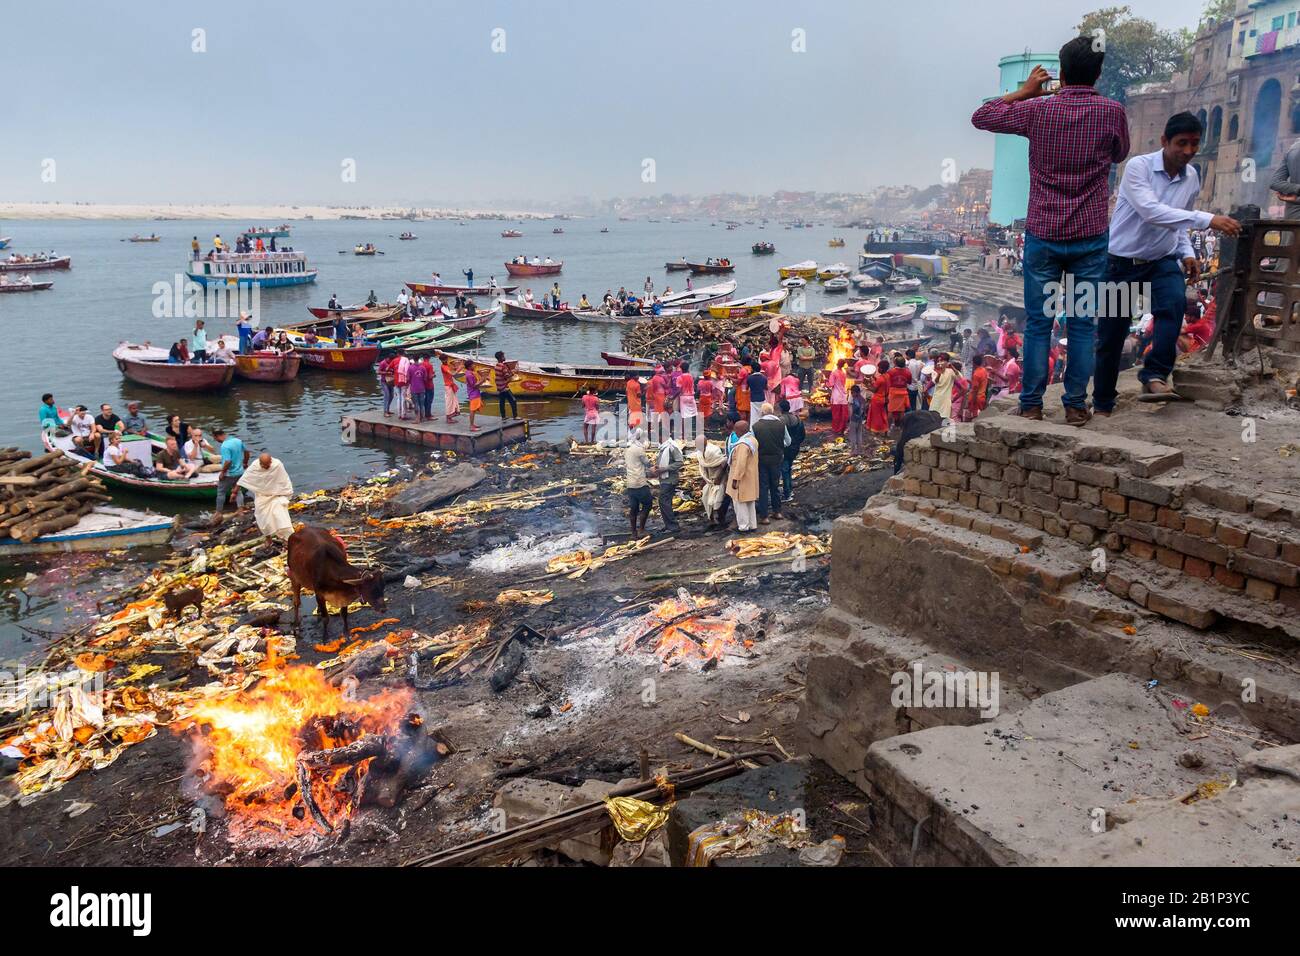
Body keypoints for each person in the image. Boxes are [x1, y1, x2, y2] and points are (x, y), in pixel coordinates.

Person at [971, 35, 1129, 424]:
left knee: (1039, 322)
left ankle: (1031, 403)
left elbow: (981, 116)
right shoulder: (1112, 112)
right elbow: (1120, 153)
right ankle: (1075, 405)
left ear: (1060, 71)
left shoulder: (1038, 110)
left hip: (1043, 232)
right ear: (1098, 72)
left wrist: (1023, 92)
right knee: (1081, 322)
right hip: (1089, 236)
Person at [1094, 111, 1241, 411]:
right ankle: (1103, 399)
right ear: (1165, 141)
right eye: (1182, 143)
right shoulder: (1138, 167)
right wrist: (1208, 219)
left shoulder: (1192, 177)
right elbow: (1152, 211)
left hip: (1162, 259)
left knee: (1174, 305)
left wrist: (1186, 253)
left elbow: (1178, 224)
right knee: (1112, 333)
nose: (1188, 151)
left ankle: (1155, 374)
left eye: (1194, 144)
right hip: (1120, 262)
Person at [237, 453, 295, 541]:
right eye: (264, 465)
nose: (266, 467)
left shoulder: (277, 465)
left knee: (281, 516)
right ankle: (268, 538)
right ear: (260, 463)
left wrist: (284, 492)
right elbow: (245, 478)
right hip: (262, 496)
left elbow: (284, 480)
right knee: (262, 518)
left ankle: (287, 538)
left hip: (277, 495)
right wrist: (235, 490)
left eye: (268, 465)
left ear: (271, 461)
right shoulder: (255, 466)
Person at [751, 402, 789, 524]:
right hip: (777, 459)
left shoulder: (756, 426)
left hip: (761, 460)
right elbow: (788, 441)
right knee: (775, 485)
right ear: (772, 411)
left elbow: (753, 445)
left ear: (761, 412)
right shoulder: (781, 424)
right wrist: (778, 446)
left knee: (763, 487)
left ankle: (764, 516)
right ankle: (777, 511)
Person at [726, 420, 760, 532]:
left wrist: (736, 479)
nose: (735, 432)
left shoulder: (742, 445)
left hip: (742, 478)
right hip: (751, 476)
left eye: (736, 430)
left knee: (740, 503)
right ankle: (752, 524)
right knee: (750, 502)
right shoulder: (752, 440)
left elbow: (740, 464)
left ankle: (743, 527)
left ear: (740, 430)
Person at [211, 427, 249, 526]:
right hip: (239, 472)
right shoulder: (237, 441)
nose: (216, 441)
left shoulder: (225, 446)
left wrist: (223, 472)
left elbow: (228, 461)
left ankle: (218, 512)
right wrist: (245, 462)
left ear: (217, 436)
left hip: (229, 474)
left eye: (215, 439)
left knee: (221, 492)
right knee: (238, 490)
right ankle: (240, 510)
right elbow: (247, 452)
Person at [624, 428, 653, 539]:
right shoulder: (638, 449)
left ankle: (633, 532)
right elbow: (647, 463)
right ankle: (641, 529)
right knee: (647, 504)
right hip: (639, 482)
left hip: (630, 483)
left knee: (633, 508)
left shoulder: (627, 448)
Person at [653, 437, 683, 533]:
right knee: (666, 502)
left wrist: (665, 468)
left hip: (670, 479)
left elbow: (679, 462)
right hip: (664, 479)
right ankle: (669, 525)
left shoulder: (672, 447)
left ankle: (673, 526)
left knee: (663, 501)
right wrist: (658, 468)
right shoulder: (663, 447)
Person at [698, 441, 730, 529]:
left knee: (717, 501)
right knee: (706, 499)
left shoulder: (713, 450)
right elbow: (703, 468)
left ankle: (721, 521)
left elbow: (724, 462)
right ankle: (712, 520)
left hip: (719, 480)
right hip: (709, 480)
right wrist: (703, 480)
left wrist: (719, 477)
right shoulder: (700, 453)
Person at [778, 398, 805, 503]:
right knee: (788, 468)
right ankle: (790, 489)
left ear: (780, 409)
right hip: (795, 447)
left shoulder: (780, 420)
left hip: (785, 448)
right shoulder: (797, 419)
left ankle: (787, 493)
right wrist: (797, 443)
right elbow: (802, 435)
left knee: (784, 469)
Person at [887, 355, 913, 429]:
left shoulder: (891, 372)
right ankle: (900, 427)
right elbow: (909, 382)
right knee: (901, 410)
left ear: (895, 363)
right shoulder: (907, 372)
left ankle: (888, 428)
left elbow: (888, 381)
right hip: (903, 392)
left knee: (890, 410)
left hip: (893, 392)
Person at [493, 351, 519, 420]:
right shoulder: (503, 366)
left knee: (502, 402)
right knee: (513, 400)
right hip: (504, 387)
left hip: (499, 387)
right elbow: (507, 376)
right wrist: (513, 373)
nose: (505, 357)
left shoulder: (496, 365)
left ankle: (503, 416)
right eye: (503, 356)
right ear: (501, 357)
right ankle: (515, 416)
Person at [930, 355, 956, 420]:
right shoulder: (934, 372)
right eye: (938, 361)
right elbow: (935, 381)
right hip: (937, 399)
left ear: (946, 362)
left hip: (946, 400)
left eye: (941, 361)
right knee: (934, 418)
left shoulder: (950, 371)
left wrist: (952, 367)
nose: (940, 363)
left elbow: (959, 377)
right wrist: (939, 374)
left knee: (945, 419)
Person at [867, 364, 890, 436]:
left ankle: (876, 430)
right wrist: (873, 379)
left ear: (882, 369)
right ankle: (885, 430)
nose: (878, 369)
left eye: (879, 368)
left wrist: (866, 385)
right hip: (885, 398)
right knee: (883, 415)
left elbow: (874, 390)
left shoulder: (880, 379)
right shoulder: (888, 376)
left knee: (876, 416)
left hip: (877, 399)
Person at [828, 359, 849, 435]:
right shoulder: (844, 373)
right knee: (843, 414)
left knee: (836, 414)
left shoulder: (834, 373)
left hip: (836, 396)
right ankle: (842, 428)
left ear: (837, 364)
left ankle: (836, 429)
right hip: (843, 395)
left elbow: (831, 384)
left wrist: (826, 382)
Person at [408, 352, 428, 423]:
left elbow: (408, 379)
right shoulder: (423, 367)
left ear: (413, 359)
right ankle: (422, 417)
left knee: (416, 403)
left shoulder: (410, 368)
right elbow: (425, 378)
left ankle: (417, 419)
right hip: (422, 388)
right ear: (419, 359)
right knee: (421, 404)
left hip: (414, 388)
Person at [438, 356, 458, 423]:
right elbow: (453, 373)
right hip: (448, 386)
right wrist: (460, 368)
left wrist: (457, 366)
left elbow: (453, 369)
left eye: (445, 359)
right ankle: (448, 418)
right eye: (443, 360)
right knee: (449, 402)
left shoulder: (447, 365)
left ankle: (450, 417)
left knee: (453, 401)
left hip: (450, 385)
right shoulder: (443, 366)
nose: (444, 361)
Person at [848, 385, 866, 453]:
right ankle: (859, 450)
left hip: (854, 419)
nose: (852, 394)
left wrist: (850, 418)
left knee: (853, 435)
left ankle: (853, 451)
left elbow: (852, 411)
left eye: (852, 392)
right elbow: (863, 410)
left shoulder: (855, 400)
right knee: (859, 434)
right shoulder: (862, 399)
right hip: (860, 420)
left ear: (856, 392)